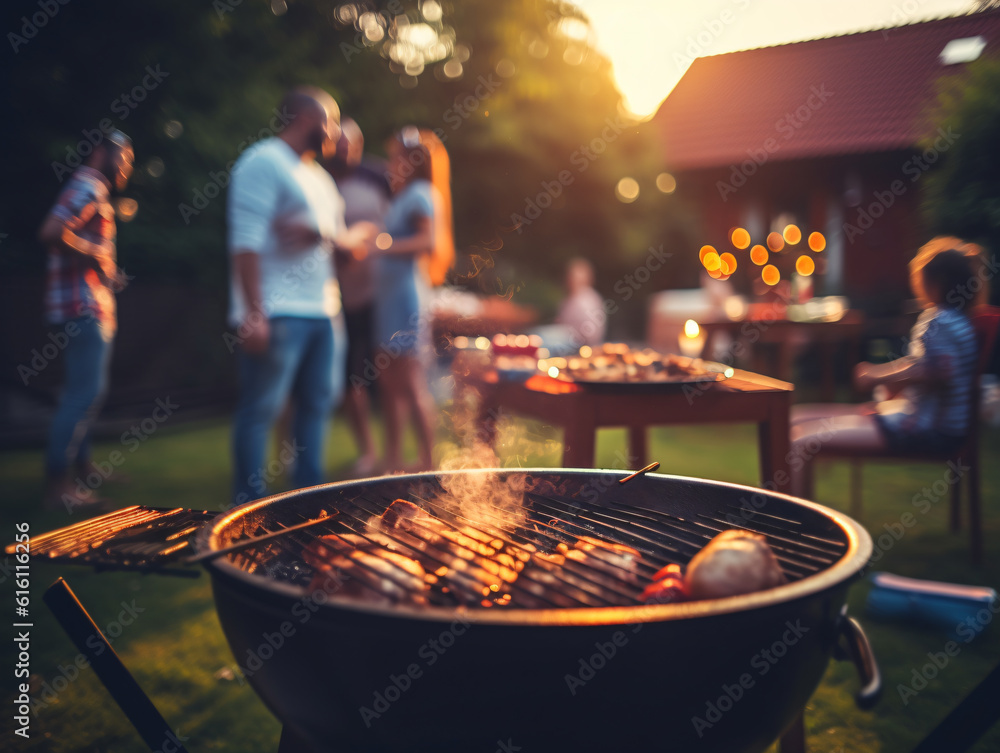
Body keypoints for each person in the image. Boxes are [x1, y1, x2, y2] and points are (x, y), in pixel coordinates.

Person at [227, 86, 370, 506]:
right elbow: (245, 244)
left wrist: (324, 237)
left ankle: (308, 503)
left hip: (325, 312)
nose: (336, 135)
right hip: (278, 310)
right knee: (261, 410)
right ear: (306, 120)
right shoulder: (263, 162)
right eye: (330, 123)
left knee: (318, 407)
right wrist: (254, 312)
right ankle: (246, 505)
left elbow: (343, 250)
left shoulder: (321, 178)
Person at [790, 238, 984, 496]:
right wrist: (891, 388)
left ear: (934, 283)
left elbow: (935, 371)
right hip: (918, 419)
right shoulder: (960, 321)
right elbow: (930, 368)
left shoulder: (940, 321)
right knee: (793, 418)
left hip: (923, 429)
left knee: (800, 441)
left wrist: (876, 376)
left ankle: (792, 523)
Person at [37, 129, 134, 510]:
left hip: (84, 303)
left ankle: (84, 471)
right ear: (99, 153)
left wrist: (105, 269)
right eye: (122, 157)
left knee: (84, 395)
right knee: (82, 395)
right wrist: (96, 254)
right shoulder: (89, 185)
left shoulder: (93, 190)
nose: (127, 165)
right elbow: (51, 232)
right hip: (81, 309)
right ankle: (58, 487)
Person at [370, 126, 454, 473]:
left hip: (406, 300)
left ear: (411, 161)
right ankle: (393, 461)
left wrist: (383, 245)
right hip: (389, 299)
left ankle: (428, 462)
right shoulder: (402, 196)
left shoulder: (421, 193)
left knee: (411, 381)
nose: (390, 164)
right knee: (389, 384)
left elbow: (426, 242)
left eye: (395, 157)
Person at [326, 118, 391, 477]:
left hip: (382, 294)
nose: (344, 148)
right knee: (352, 379)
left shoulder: (380, 177)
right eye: (339, 142)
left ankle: (398, 454)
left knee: (395, 378)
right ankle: (368, 451)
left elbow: (401, 227)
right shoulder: (323, 180)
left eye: (351, 142)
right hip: (341, 299)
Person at [555, 257, 606, 347]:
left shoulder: (588, 300)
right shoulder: (570, 298)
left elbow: (591, 334)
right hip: (572, 341)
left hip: (581, 345)